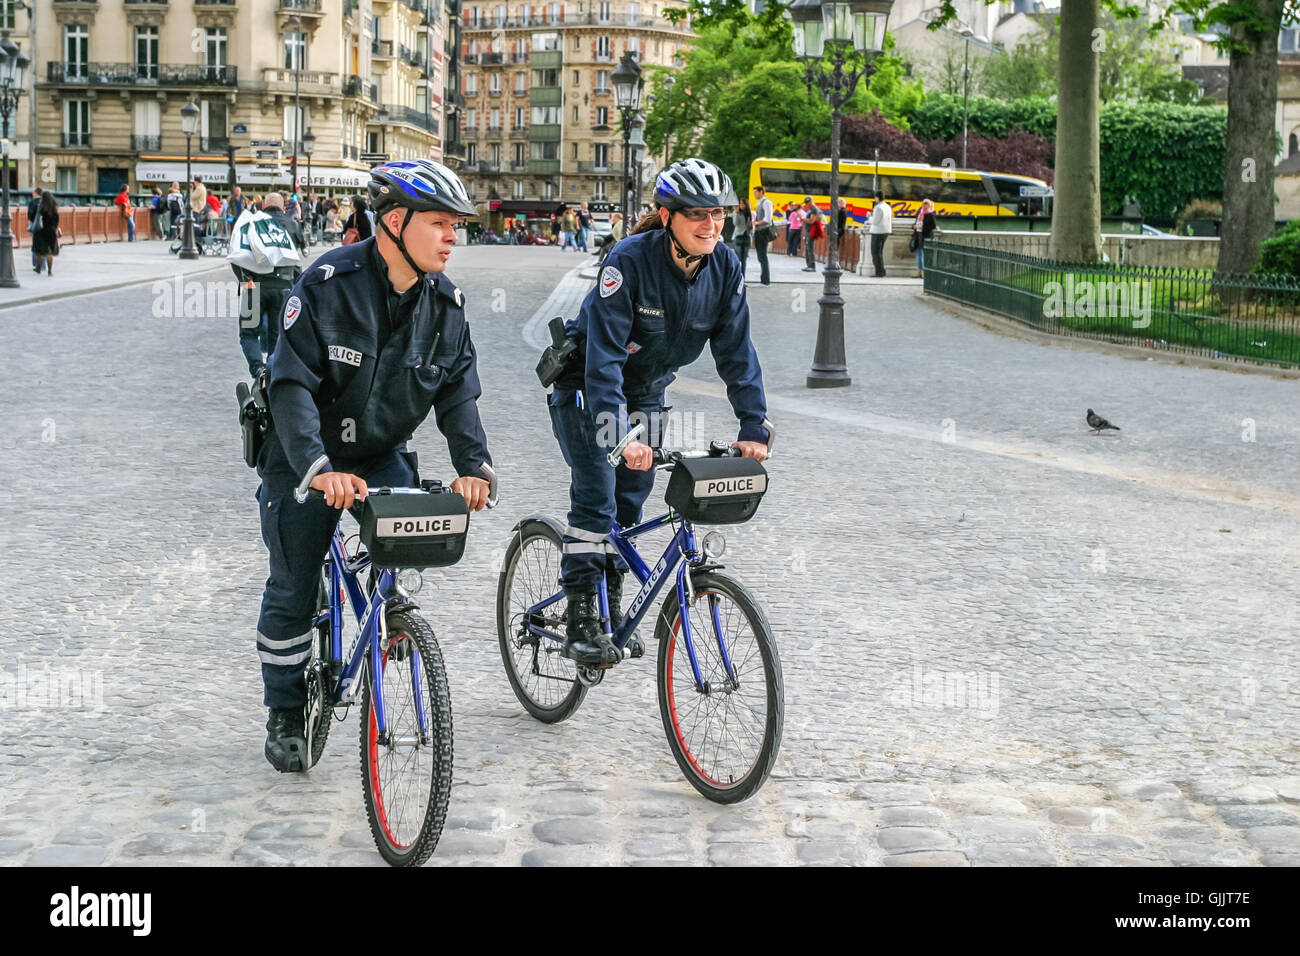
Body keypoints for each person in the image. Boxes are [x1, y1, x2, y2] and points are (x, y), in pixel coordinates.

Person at [255, 159, 493, 772]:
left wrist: (475, 466)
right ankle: (284, 707)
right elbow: (290, 385)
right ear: (394, 221)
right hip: (301, 456)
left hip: (380, 452)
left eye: (455, 226)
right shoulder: (327, 284)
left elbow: (457, 393)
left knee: (400, 552)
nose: (452, 237)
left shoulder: (447, 305)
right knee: (294, 580)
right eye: (439, 223)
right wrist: (314, 466)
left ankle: (384, 624)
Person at [547, 158, 771, 666]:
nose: (710, 225)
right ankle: (583, 616)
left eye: (718, 214)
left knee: (629, 506)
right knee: (598, 500)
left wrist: (753, 423)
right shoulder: (627, 263)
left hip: (646, 394)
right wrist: (622, 437)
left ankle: (612, 599)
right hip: (587, 391)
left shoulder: (725, 266)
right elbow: (602, 361)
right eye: (696, 214)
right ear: (667, 216)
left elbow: (737, 351)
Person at [233, 191, 306, 381]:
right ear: (283, 207)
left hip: (253, 286)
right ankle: (273, 373)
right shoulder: (292, 224)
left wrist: (244, 280)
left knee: (248, 333)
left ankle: (258, 371)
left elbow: (236, 254)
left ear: (263, 206)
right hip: (283, 288)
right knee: (278, 334)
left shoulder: (252, 222)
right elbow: (298, 258)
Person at [31, 190, 60, 277]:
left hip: (40, 232)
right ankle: (50, 271)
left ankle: (38, 268)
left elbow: (33, 217)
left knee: (39, 252)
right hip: (51, 232)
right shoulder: (54, 209)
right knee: (49, 253)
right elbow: (56, 221)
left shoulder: (40, 208)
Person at [752, 185, 774, 286]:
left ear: (761, 192)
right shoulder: (759, 203)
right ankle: (764, 279)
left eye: (756, 192)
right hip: (759, 231)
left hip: (763, 231)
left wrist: (755, 223)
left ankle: (765, 280)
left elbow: (768, 219)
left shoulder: (766, 202)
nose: (755, 194)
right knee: (761, 256)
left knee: (762, 256)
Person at [868, 190, 893, 278]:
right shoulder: (887, 206)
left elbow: (875, 221)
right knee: (879, 253)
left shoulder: (878, 207)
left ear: (877, 198)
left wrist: (869, 217)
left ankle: (879, 272)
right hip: (885, 231)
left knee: (875, 253)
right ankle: (881, 271)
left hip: (877, 232)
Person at [912, 197, 937, 278]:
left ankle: (924, 272)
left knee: (924, 254)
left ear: (929, 205)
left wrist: (923, 227)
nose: (924, 205)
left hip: (925, 236)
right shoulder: (920, 214)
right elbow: (914, 224)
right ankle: (919, 272)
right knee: (918, 254)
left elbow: (933, 226)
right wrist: (914, 226)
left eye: (926, 203)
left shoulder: (930, 214)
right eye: (923, 203)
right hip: (918, 236)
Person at [801, 195, 823, 273]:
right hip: (809, 231)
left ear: (811, 201)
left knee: (810, 248)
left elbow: (812, 221)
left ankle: (812, 266)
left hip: (811, 231)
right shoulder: (811, 209)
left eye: (807, 202)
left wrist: (803, 219)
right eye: (806, 203)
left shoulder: (814, 209)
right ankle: (809, 265)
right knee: (808, 248)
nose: (806, 204)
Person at [732, 198, 752, 278]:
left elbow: (749, 226)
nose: (741, 205)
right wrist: (736, 212)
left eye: (743, 204)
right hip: (738, 237)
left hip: (747, 238)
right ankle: (736, 278)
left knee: (744, 260)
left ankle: (743, 279)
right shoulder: (736, 212)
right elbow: (736, 223)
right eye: (740, 203)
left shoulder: (749, 213)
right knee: (738, 259)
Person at [26, 187, 43, 273]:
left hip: (35, 225)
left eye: (33, 191)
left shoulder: (32, 202)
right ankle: (43, 265)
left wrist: (30, 226)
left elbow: (30, 215)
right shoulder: (44, 201)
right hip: (44, 225)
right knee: (44, 244)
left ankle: (36, 264)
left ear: (36, 193)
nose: (32, 193)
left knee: (35, 244)